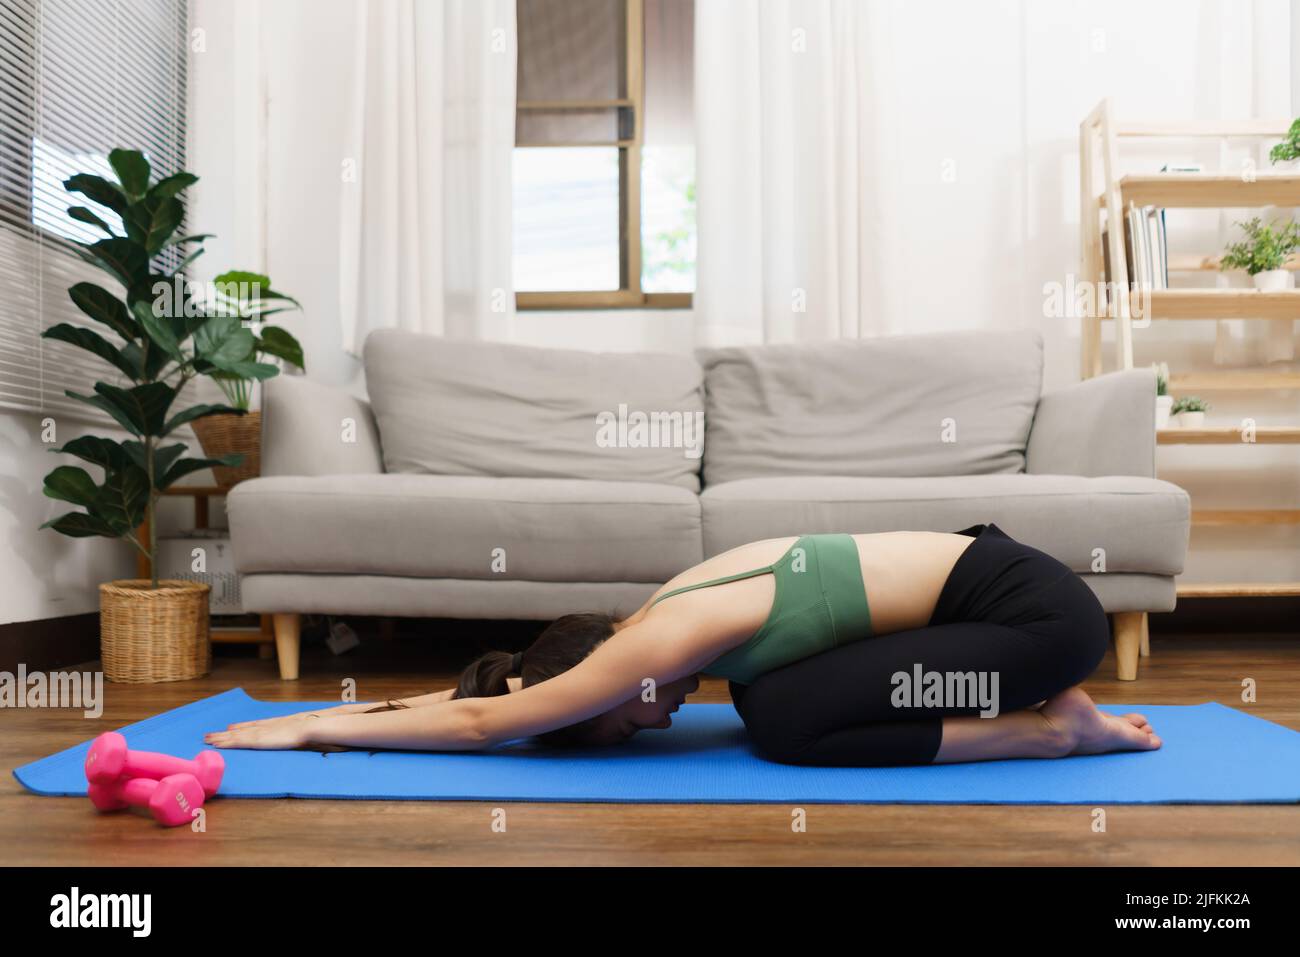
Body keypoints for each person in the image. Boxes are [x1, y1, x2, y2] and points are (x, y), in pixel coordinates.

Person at [206, 524, 1161, 766]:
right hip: (1000, 603)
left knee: (784, 722)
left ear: (599, 677)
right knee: (773, 706)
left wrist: (311, 729)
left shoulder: (656, 643)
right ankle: (1049, 721)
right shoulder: (654, 626)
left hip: (1041, 624)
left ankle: (1052, 731)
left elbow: (480, 723)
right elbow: (488, 694)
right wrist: (357, 711)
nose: (650, 724)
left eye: (621, 724)